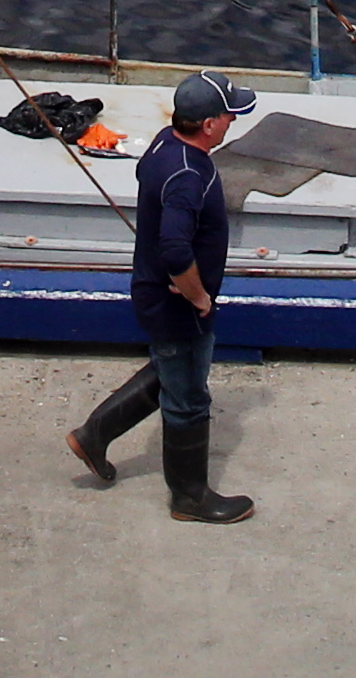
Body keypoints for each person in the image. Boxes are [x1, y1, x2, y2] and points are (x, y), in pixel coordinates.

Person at [63, 70, 262, 523]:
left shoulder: (163, 143)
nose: (233, 121)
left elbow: (145, 179)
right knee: (188, 397)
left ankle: (94, 434)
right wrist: (198, 297)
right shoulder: (190, 174)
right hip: (177, 303)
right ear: (209, 124)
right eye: (228, 114)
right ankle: (189, 497)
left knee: (171, 366)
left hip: (152, 291)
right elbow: (175, 248)